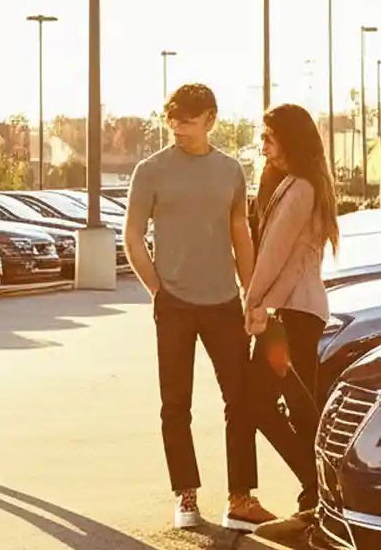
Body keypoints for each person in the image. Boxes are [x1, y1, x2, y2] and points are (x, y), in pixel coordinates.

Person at [125, 83, 277, 532]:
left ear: (210, 119)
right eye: (171, 118)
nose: (177, 127)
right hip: (173, 304)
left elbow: (240, 234)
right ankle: (185, 495)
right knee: (176, 404)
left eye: (187, 119)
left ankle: (240, 498)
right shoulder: (149, 170)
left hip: (223, 303)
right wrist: (157, 289)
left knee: (241, 399)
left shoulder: (230, 170)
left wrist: (253, 295)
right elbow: (133, 236)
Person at [243, 103, 340, 535]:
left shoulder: (301, 188)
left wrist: (256, 303)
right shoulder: (299, 183)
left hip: (290, 313)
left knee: (263, 404)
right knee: (295, 407)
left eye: (268, 136)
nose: (262, 146)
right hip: (294, 311)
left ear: (290, 138)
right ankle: (315, 491)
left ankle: (317, 487)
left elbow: (279, 256)